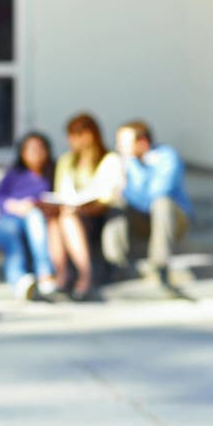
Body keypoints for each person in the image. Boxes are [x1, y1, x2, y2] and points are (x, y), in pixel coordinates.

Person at [102, 121, 193, 292]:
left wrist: (126, 185)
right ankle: (115, 263)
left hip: (173, 222)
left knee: (162, 203)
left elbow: (155, 195)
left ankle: (160, 265)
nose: (118, 147)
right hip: (143, 220)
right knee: (116, 203)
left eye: (123, 143)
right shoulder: (123, 161)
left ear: (142, 142)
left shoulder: (167, 157)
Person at [48, 113, 124, 301]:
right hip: (72, 213)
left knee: (67, 217)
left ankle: (85, 276)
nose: (70, 141)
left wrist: (83, 208)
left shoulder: (109, 160)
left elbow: (108, 197)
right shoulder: (67, 161)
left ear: (89, 135)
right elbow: (61, 192)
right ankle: (63, 274)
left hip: (98, 215)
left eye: (74, 135)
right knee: (56, 218)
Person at [0, 132, 57, 300]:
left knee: (34, 216)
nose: (36, 153)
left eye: (40, 149)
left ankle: (44, 273)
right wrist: (15, 205)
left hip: (37, 219)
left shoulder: (52, 174)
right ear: (22, 152)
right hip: (10, 218)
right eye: (31, 149)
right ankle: (20, 280)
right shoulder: (14, 174)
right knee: (14, 243)